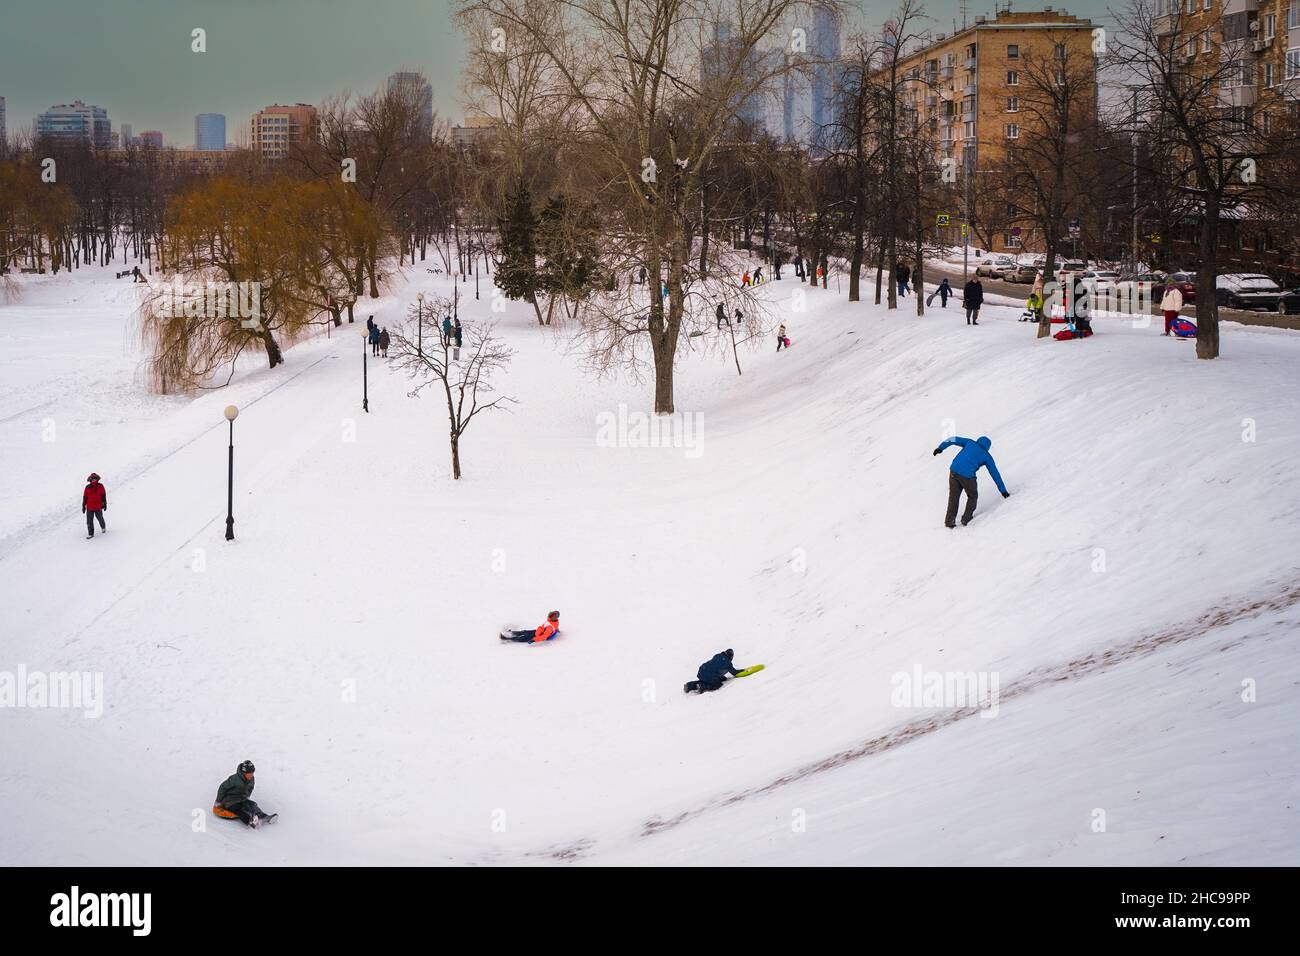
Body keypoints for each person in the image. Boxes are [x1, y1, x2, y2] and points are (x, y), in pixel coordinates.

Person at [933, 435, 1009, 528]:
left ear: (978, 441)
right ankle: (966, 518)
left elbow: (953, 439)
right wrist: (1003, 491)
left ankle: (949, 521)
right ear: (987, 447)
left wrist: (940, 448)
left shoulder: (970, 443)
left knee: (954, 496)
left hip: (954, 470)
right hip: (967, 477)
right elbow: (995, 474)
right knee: (973, 496)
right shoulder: (986, 456)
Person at [212, 760, 276, 828]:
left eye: (252, 773)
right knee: (238, 809)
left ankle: (264, 817)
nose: (251, 775)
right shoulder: (235, 779)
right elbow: (222, 788)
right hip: (229, 800)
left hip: (241, 798)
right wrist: (218, 801)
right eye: (249, 773)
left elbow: (251, 787)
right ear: (244, 773)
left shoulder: (251, 779)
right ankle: (251, 822)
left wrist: (247, 796)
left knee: (251, 805)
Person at [82, 472, 107, 539]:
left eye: (95, 479)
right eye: (92, 479)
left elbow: (103, 496)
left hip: (98, 506)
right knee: (89, 521)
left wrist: (105, 504)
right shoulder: (87, 487)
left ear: (97, 479)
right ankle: (91, 534)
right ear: (90, 479)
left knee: (100, 518)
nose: (94, 480)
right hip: (90, 507)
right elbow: (85, 497)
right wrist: (83, 506)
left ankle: (103, 527)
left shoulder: (100, 486)